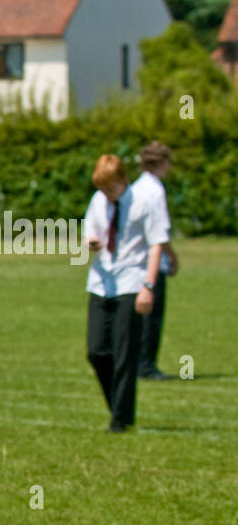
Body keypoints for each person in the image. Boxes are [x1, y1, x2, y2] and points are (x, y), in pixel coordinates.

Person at [82, 154, 170, 433]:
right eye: (102, 188)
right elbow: (89, 232)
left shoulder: (144, 202)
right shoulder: (98, 200)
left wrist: (149, 286)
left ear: (123, 180)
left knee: (124, 351)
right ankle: (119, 406)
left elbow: (156, 244)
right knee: (96, 351)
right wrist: (91, 243)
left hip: (133, 281)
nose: (106, 194)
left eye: (110, 188)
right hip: (101, 281)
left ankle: (119, 420)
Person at [133, 141, 181, 381]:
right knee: (152, 317)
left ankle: (135, 362)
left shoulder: (135, 187)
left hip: (134, 261)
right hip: (153, 263)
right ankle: (147, 366)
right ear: (161, 163)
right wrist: (173, 257)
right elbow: (160, 234)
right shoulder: (156, 190)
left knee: (137, 316)